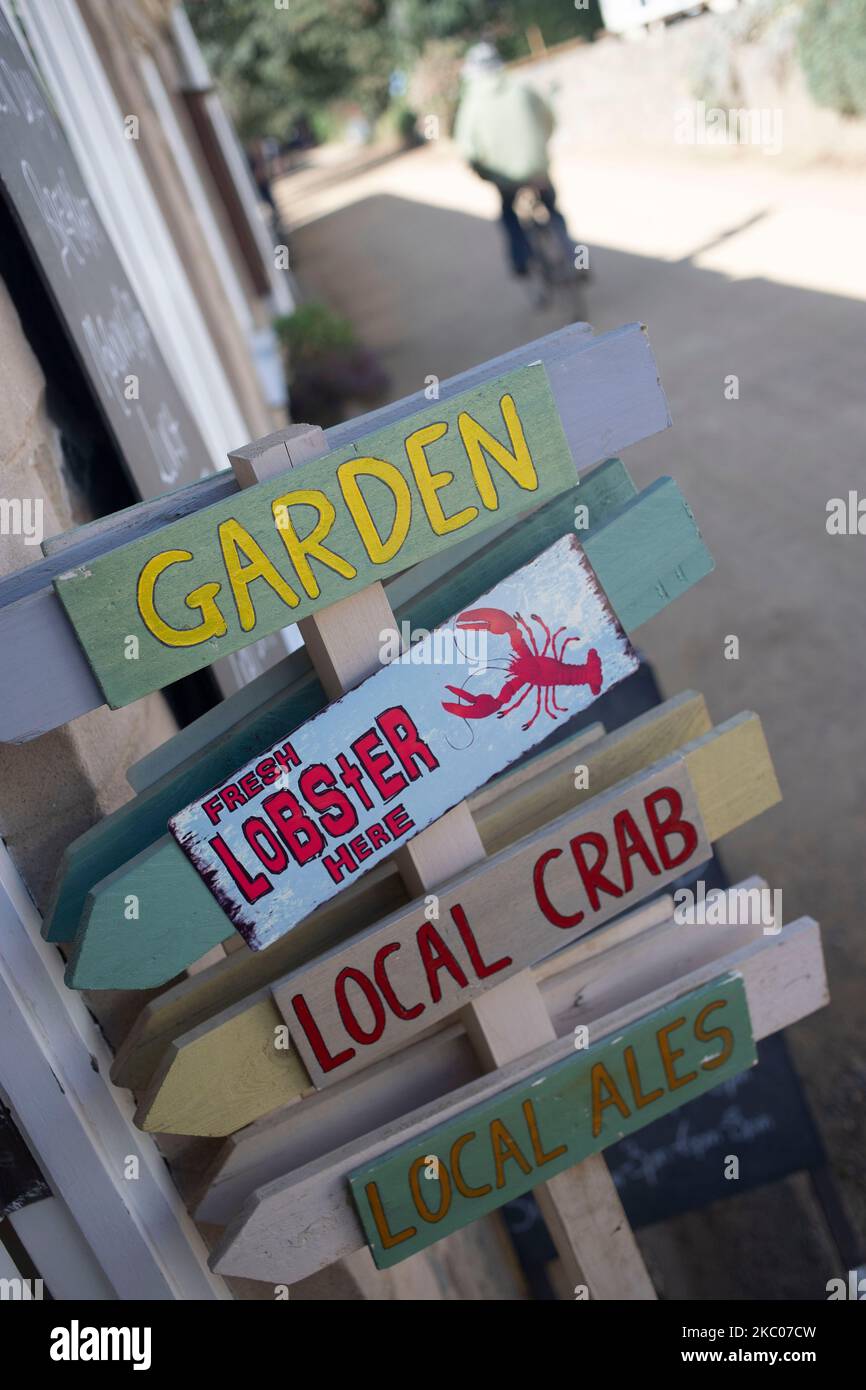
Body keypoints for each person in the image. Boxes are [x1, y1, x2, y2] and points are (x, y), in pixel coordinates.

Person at [454, 41, 570, 279]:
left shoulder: (471, 103)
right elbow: (549, 118)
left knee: (509, 214)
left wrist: (484, 173)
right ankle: (574, 256)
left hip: (504, 178)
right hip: (538, 168)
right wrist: (540, 149)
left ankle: (521, 261)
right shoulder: (521, 86)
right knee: (552, 209)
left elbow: (467, 150)